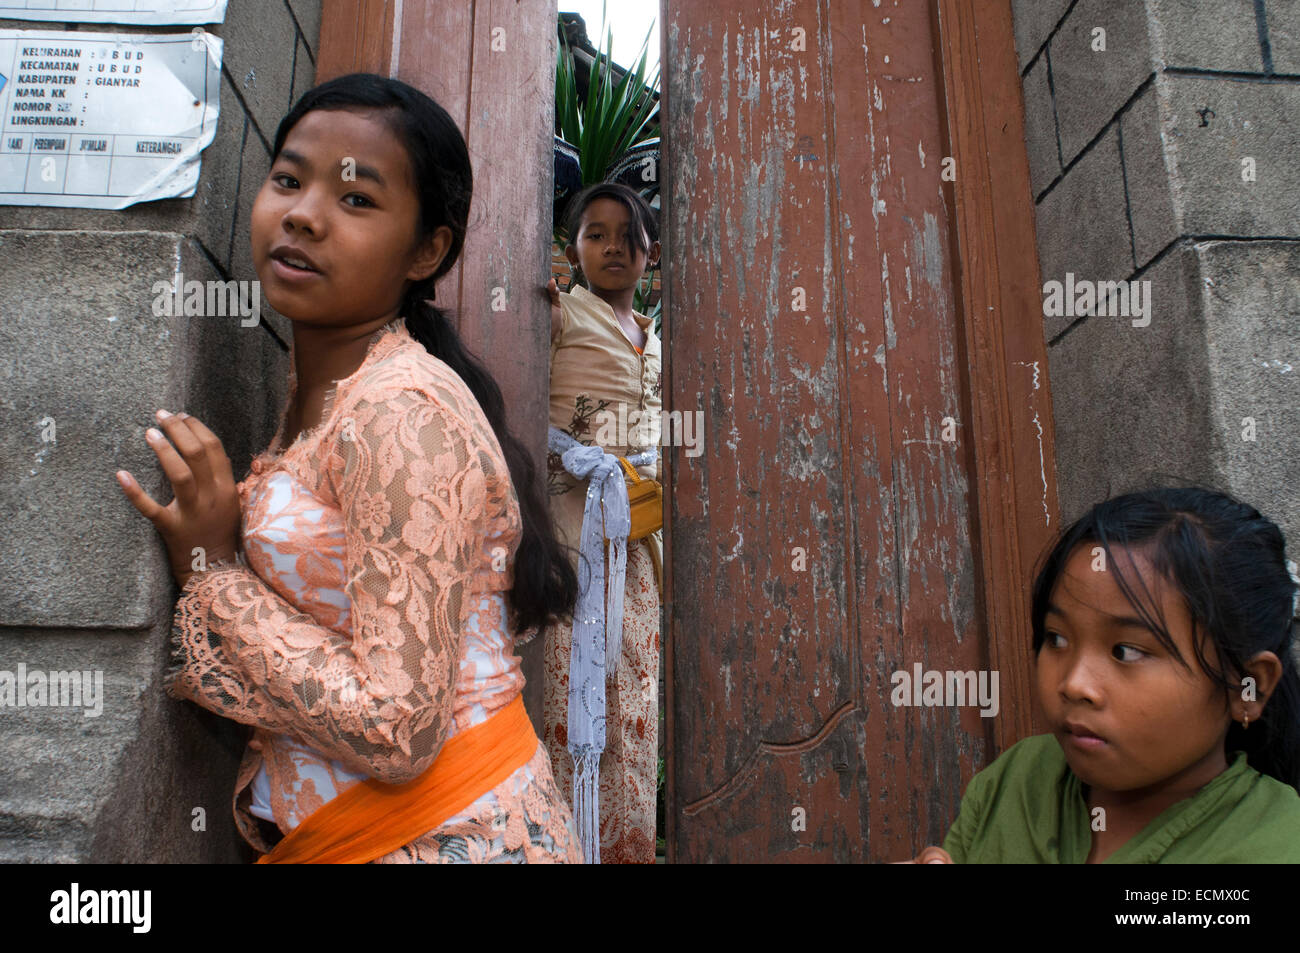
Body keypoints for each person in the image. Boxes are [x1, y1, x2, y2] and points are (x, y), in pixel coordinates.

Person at [116, 73, 583, 863]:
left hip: (448, 837)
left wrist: (215, 570)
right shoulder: (328, 388)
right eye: (289, 179)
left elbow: (396, 727)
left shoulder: (399, 411)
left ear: (428, 250)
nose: (303, 213)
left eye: (357, 199)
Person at [907, 486, 1300, 863]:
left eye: (1125, 651)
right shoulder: (1018, 780)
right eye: (1057, 639)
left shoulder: (1277, 841)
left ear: (1247, 687)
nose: (1075, 683)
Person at [543, 182, 663, 863]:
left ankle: (627, 846)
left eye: (628, 234)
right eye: (596, 233)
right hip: (571, 530)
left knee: (635, 695)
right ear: (572, 251)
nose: (613, 245)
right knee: (569, 685)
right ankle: (564, 843)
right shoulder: (562, 314)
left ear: (652, 251)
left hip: (637, 541)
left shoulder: (657, 337)